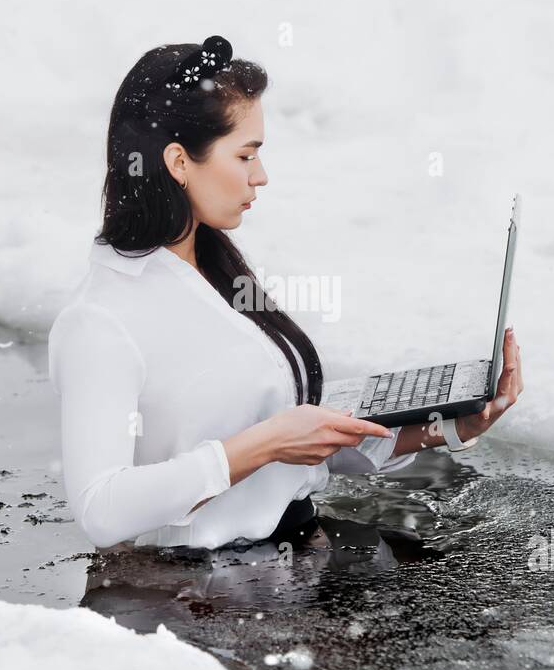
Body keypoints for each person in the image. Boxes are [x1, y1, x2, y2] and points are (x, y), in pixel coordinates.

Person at [48, 35, 523, 551]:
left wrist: (448, 425)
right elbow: (101, 509)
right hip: (197, 595)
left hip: (291, 552)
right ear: (179, 162)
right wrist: (268, 443)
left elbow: (301, 448)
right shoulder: (100, 321)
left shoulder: (212, 269)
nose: (262, 176)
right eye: (246, 155)